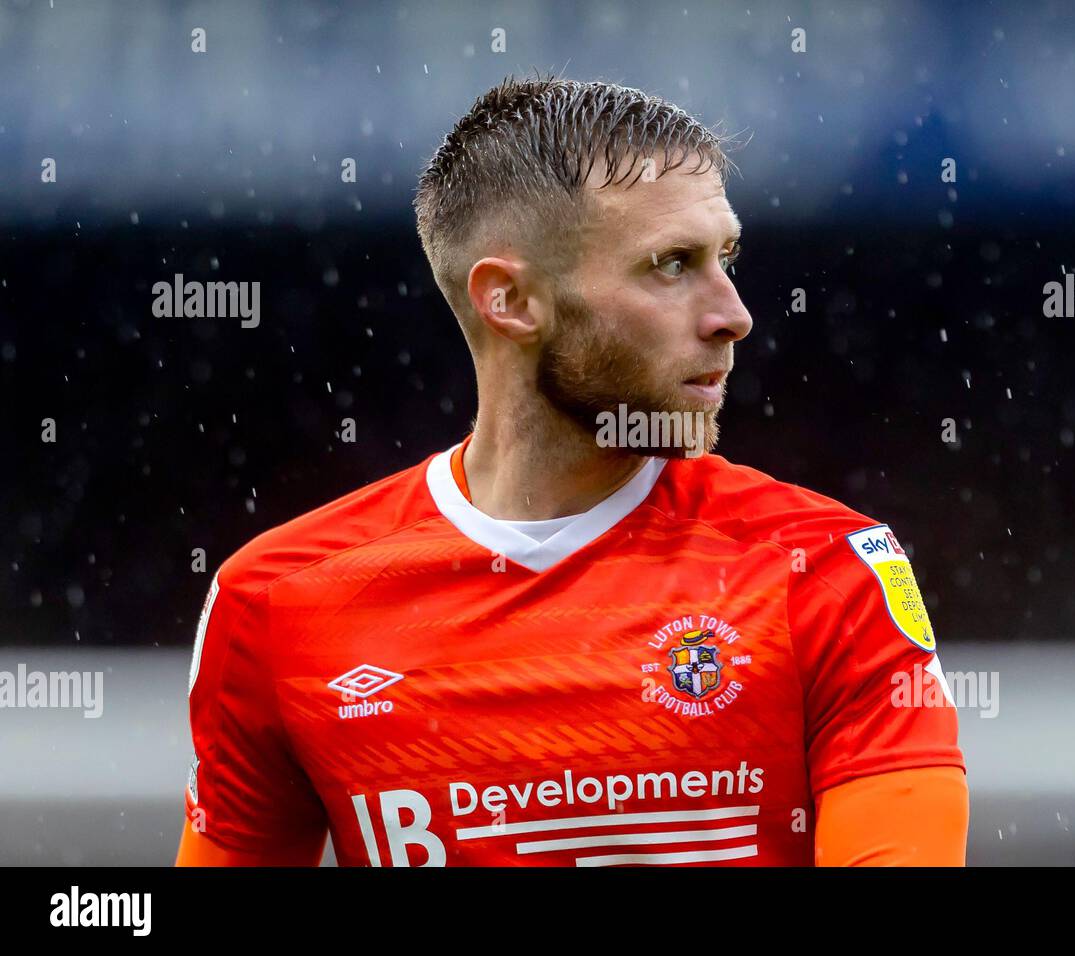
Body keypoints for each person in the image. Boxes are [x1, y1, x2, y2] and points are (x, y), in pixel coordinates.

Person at [176, 74, 967, 867]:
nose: (732, 314)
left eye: (724, 257)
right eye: (670, 265)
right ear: (511, 301)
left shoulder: (824, 573)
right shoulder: (280, 602)